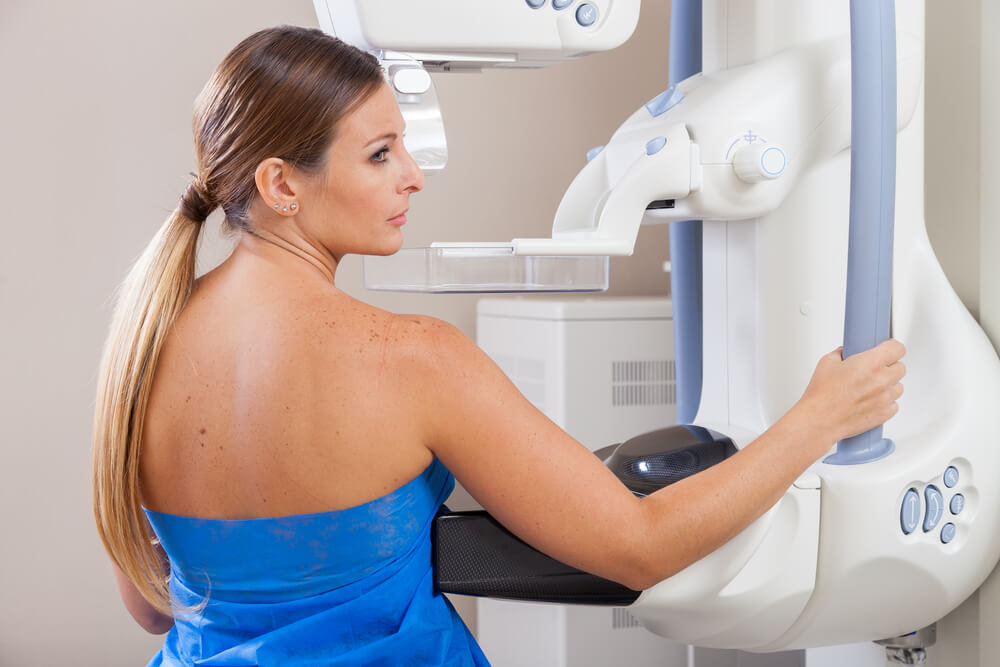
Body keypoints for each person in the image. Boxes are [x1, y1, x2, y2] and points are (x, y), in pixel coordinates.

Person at [92, 25, 906, 667]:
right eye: (381, 154)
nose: (413, 175)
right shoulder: (410, 359)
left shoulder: (142, 347)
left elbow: (152, 606)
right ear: (281, 185)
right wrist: (817, 419)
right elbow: (641, 546)